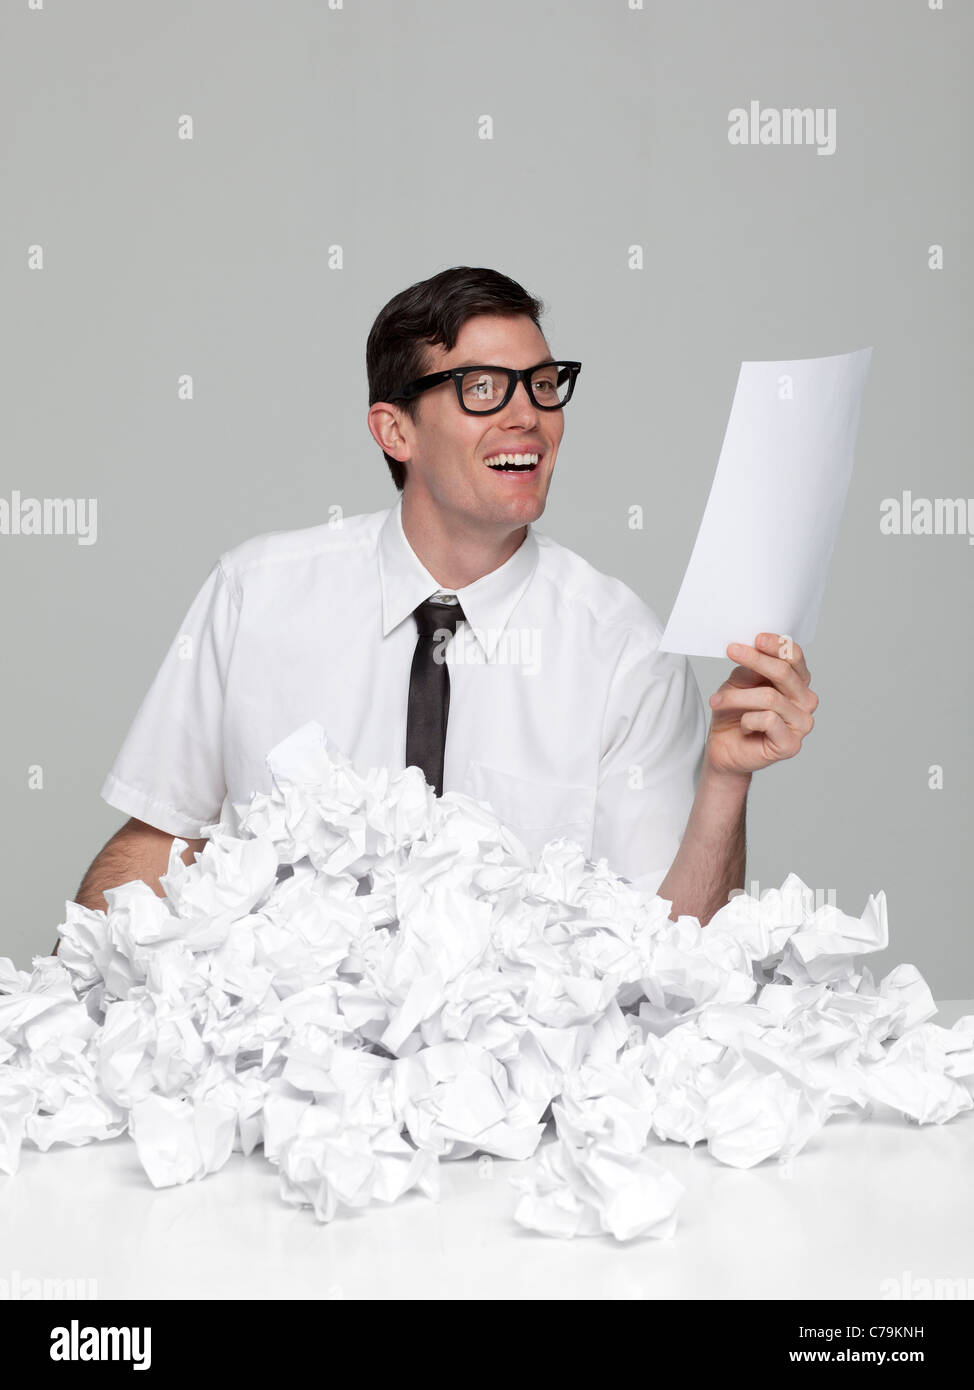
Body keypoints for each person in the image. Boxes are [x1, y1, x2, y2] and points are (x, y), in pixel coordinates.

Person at [60, 266, 817, 951]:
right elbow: (158, 840)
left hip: (513, 1092)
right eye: (483, 387)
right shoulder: (254, 594)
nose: (528, 415)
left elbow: (673, 953)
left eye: (543, 383)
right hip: (281, 1083)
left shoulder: (623, 651)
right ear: (395, 430)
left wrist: (726, 781)